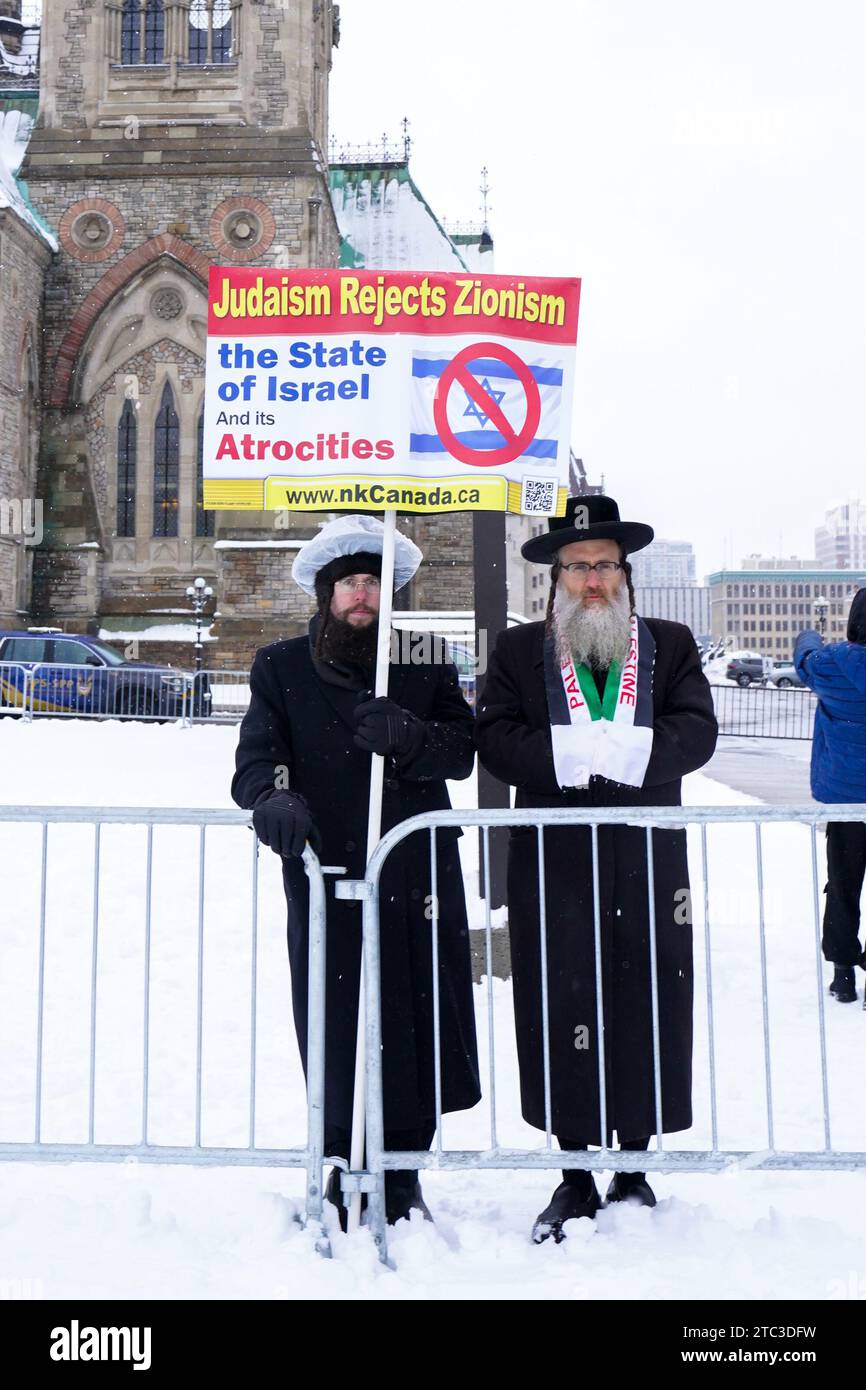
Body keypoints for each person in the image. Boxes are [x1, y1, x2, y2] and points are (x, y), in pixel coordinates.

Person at [475, 494, 718, 1242]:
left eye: (604, 565)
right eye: (576, 566)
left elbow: (697, 729)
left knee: (648, 995)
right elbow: (494, 735)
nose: (590, 580)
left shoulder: (671, 644)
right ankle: (575, 1171)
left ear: (625, 572)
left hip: (646, 855)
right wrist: (570, 756)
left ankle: (636, 1162)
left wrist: (631, 753)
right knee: (561, 1000)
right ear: (555, 576)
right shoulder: (519, 653)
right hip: (555, 860)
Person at [231, 515, 481, 1228]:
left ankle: (402, 1167)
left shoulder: (426, 656)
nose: (361, 594)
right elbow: (257, 756)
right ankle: (341, 1157)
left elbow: (462, 748)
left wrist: (413, 738)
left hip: (413, 871)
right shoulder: (280, 665)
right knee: (335, 1016)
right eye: (348, 583)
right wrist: (271, 796)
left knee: (415, 1016)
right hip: (327, 874)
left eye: (372, 581)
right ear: (324, 593)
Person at [794, 588, 866, 1006]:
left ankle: (843, 974)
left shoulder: (829, 665)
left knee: (842, 884)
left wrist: (809, 633)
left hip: (845, 800)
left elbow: (804, 657)